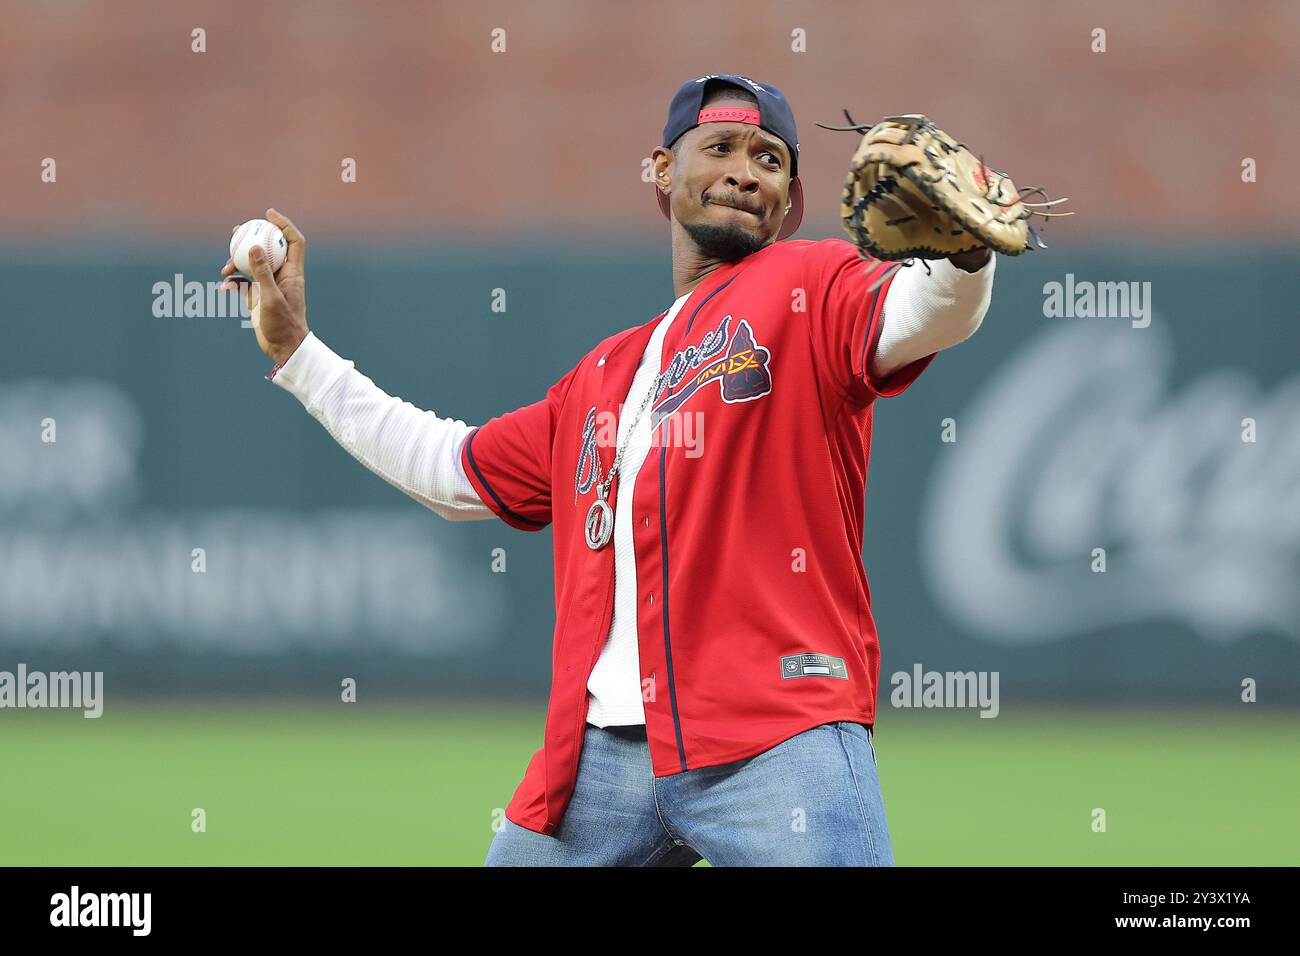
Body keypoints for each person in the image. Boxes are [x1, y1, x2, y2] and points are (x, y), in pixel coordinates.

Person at [221, 73, 996, 866]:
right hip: (598, 761)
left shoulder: (810, 284)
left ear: (790, 200)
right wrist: (298, 356)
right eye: (720, 147)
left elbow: (922, 312)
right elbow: (452, 470)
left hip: (778, 736)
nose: (744, 169)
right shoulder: (602, 377)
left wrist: (966, 255)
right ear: (663, 170)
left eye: (770, 160)